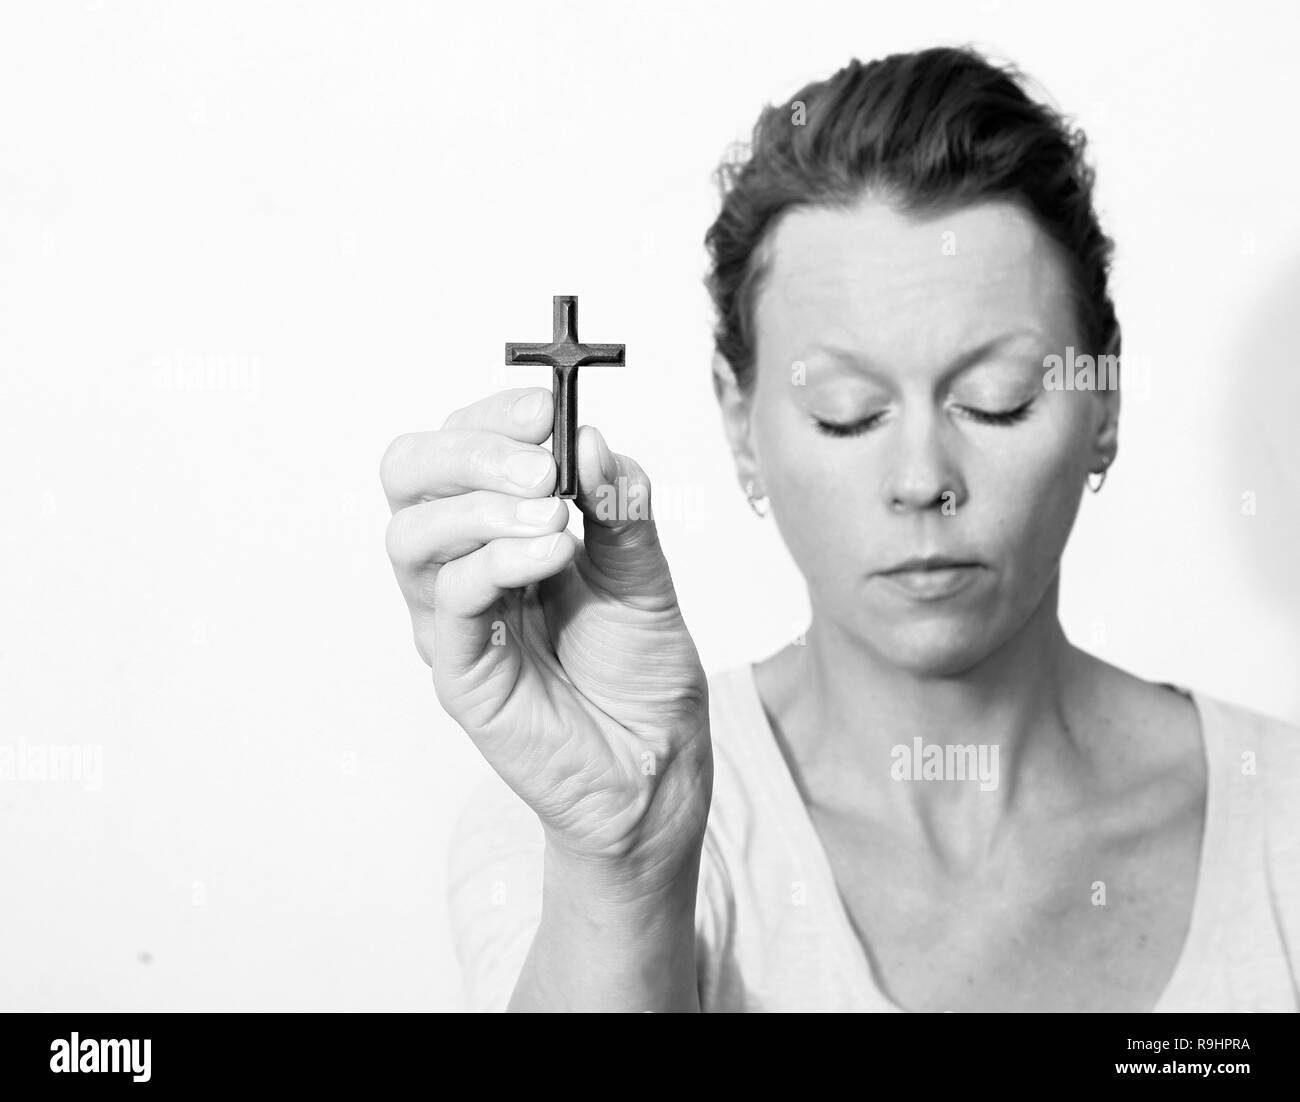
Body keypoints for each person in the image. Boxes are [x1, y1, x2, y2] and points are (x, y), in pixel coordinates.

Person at [381, 45, 1300, 1011]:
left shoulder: (1281, 823)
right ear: (741, 422)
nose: (921, 482)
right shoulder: (569, 831)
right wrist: (625, 857)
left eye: (997, 400)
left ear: (1101, 401)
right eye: (848, 414)